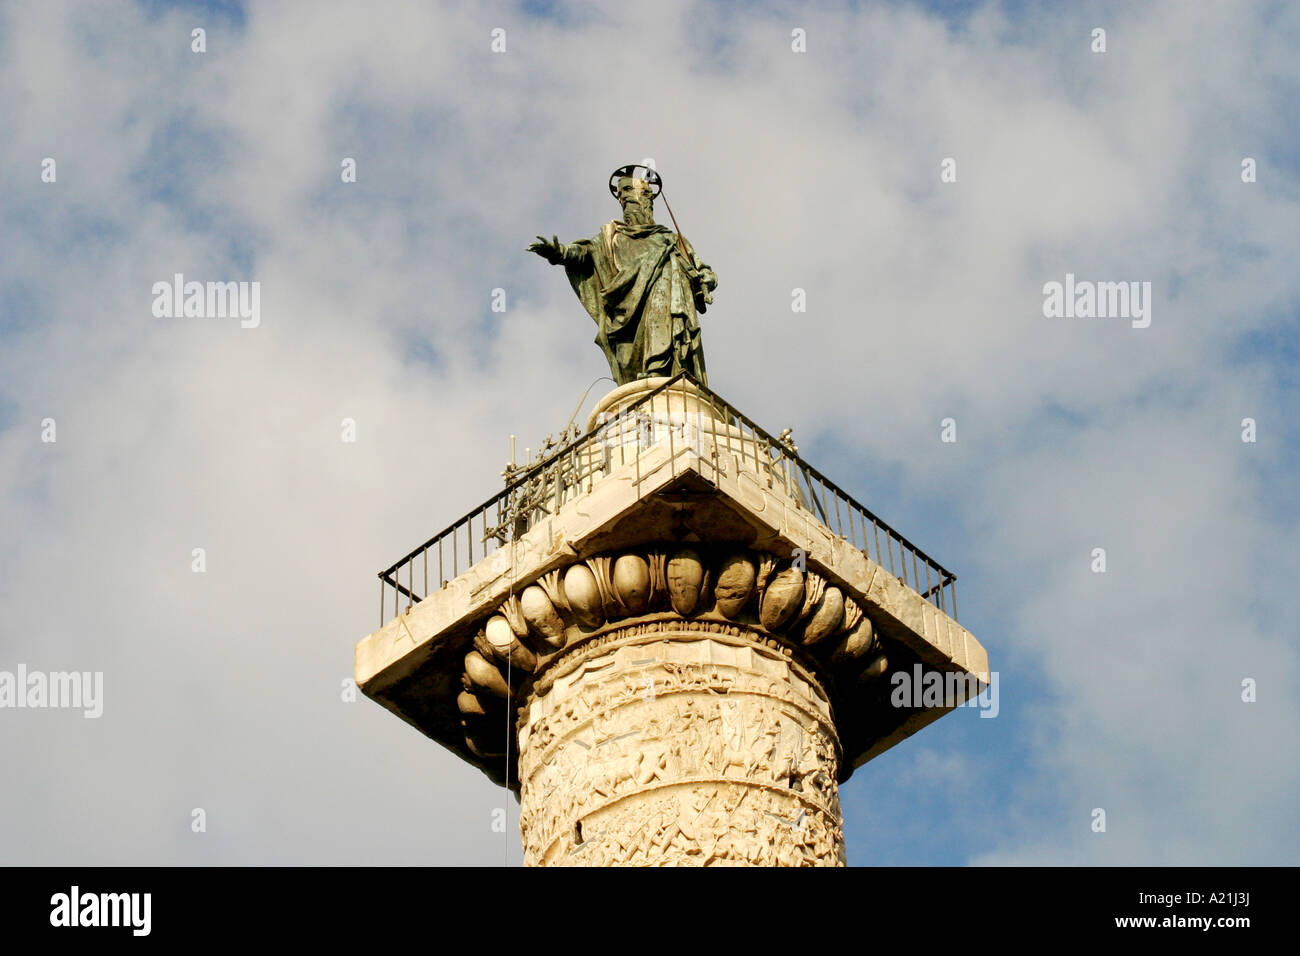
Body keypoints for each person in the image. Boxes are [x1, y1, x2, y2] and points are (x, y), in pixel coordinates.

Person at [528, 167, 717, 386]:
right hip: (628, 308)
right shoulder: (611, 236)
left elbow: (702, 270)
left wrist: (706, 278)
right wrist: (560, 252)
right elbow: (584, 252)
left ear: (646, 200)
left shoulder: (671, 239)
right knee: (629, 355)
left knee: (665, 322)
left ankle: (661, 371)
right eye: (624, 201)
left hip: (669, 297)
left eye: (633, 198)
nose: (628, 205)